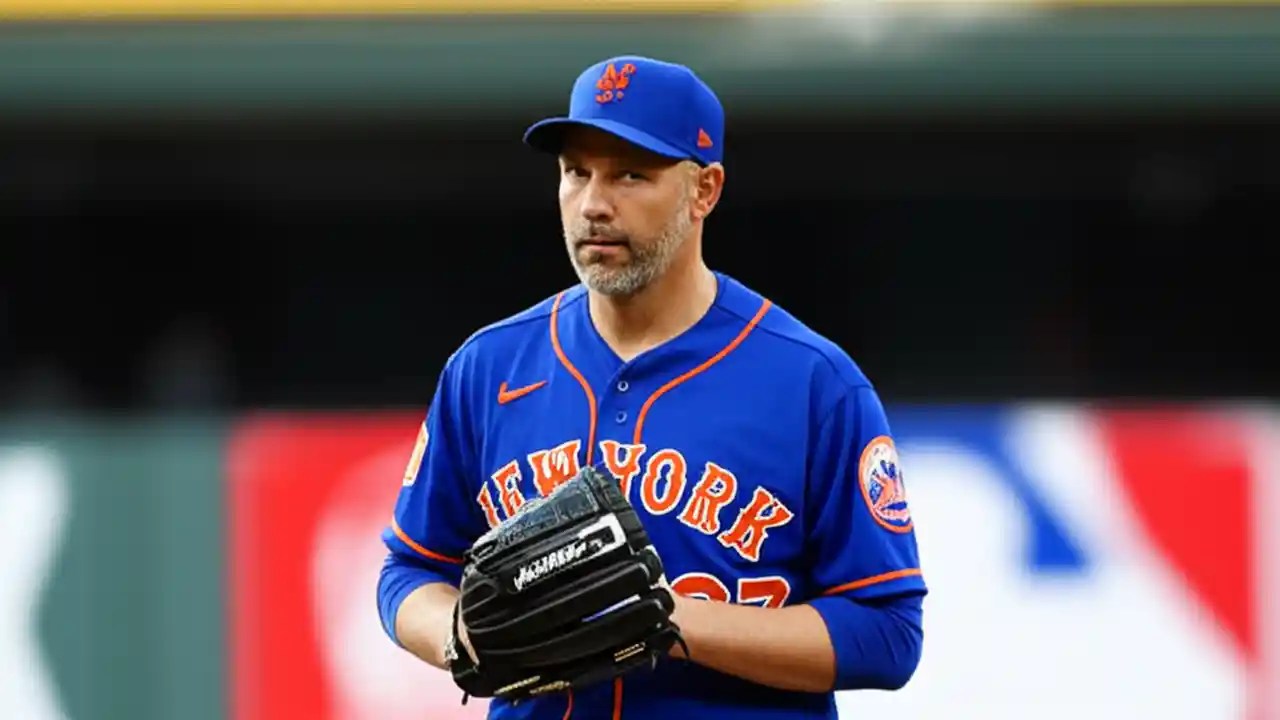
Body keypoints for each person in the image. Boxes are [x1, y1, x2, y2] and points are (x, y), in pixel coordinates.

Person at [377, 54, 927, 719]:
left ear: (705, 191)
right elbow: (408, 573)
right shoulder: (488, 368)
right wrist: (462, 638)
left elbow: (888, 634)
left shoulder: (814, 383)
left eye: (631, 174)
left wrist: (663, 620)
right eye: (576, 172)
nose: (594, 204)